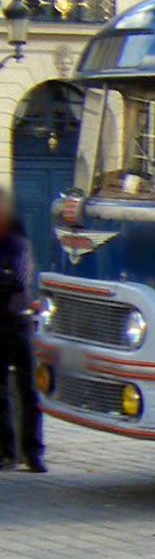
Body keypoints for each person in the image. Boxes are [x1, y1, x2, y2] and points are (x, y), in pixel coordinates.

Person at [0, 190, 44, 473]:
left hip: (19, 322)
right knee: (0, 391)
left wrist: (4, 276)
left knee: (29, 390)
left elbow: (18, 278)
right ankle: (7, 452)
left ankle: (34, 453)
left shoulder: (18, 244)